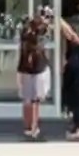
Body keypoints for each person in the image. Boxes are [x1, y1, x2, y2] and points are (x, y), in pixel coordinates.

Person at [57, 6, 79, 140]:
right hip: (78, 65)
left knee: (75, 96)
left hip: (75, 66)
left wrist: (58, 20)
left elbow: (71, 35)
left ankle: (78, 127)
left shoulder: (76, 37)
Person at [17, 11, 51, 141]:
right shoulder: (31, 32)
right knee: (32, 100)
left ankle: (30, 128)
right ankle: (32, 129)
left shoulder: (32, 31)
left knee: (31, 100)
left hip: (31, 68)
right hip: (33, 69)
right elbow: (37, 43)